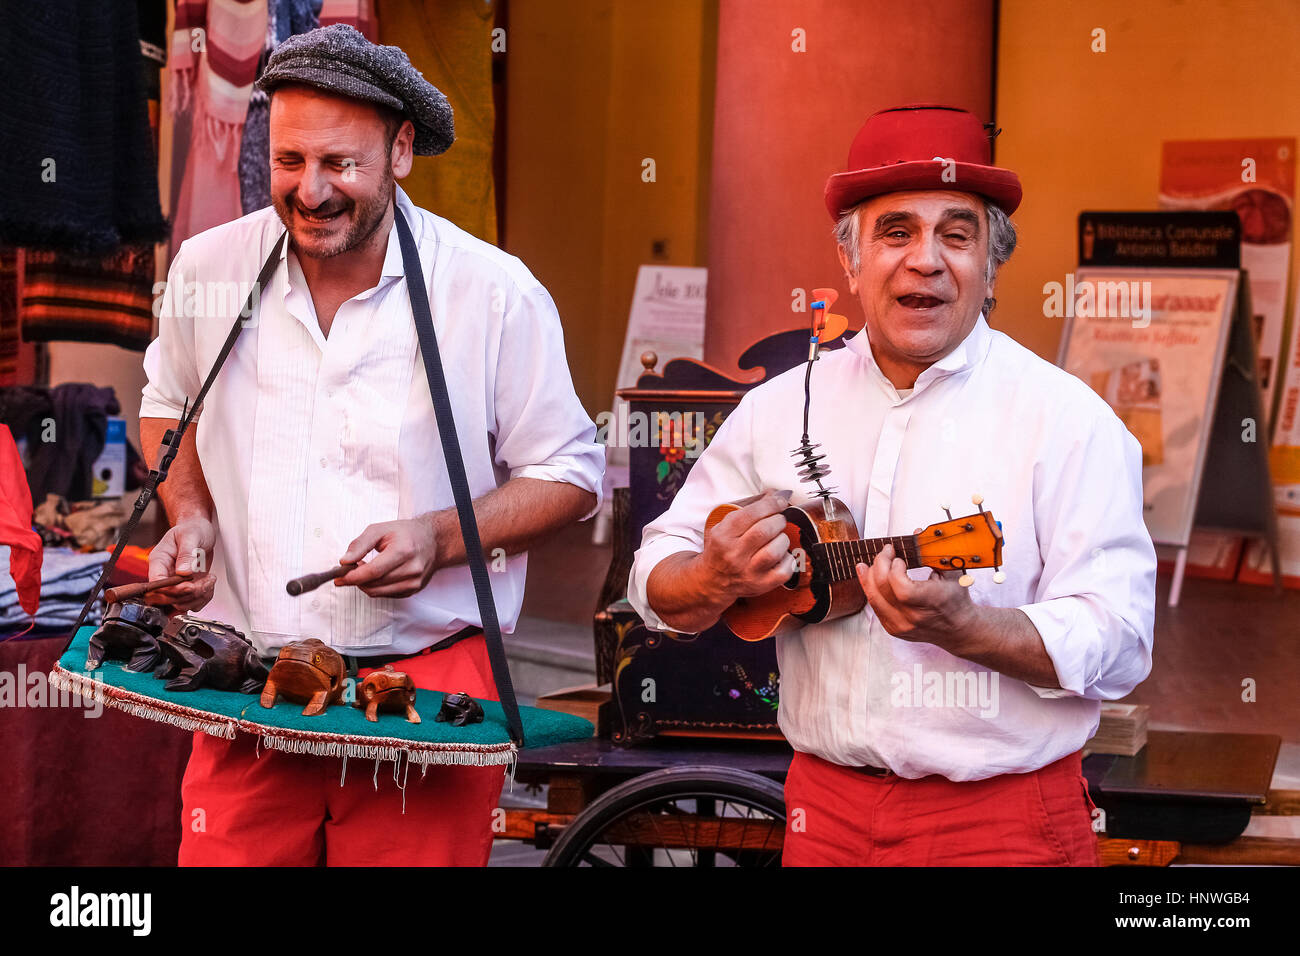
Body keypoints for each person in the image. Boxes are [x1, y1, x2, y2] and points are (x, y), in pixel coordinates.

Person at [627, 104, 1157, 866]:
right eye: (897, 231)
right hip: (823, 812)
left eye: (957, 233)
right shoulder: (774, 409)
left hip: (1001, 824)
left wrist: (970, 630)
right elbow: (654, 577)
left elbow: (1122, 640)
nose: (927, 260)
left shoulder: (1070, 422)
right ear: (850, 261)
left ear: (990, 262)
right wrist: (710, 575)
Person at [140, 24, 603, 866]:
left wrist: (439, 537)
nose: (310, 192)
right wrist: (193, 515)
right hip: (247, 689)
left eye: (340, 165)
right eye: (289, 162)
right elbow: (169, 408)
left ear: (400, 151)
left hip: (423, 695)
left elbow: (570, 475)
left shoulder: (493, 294)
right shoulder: (208, 269)